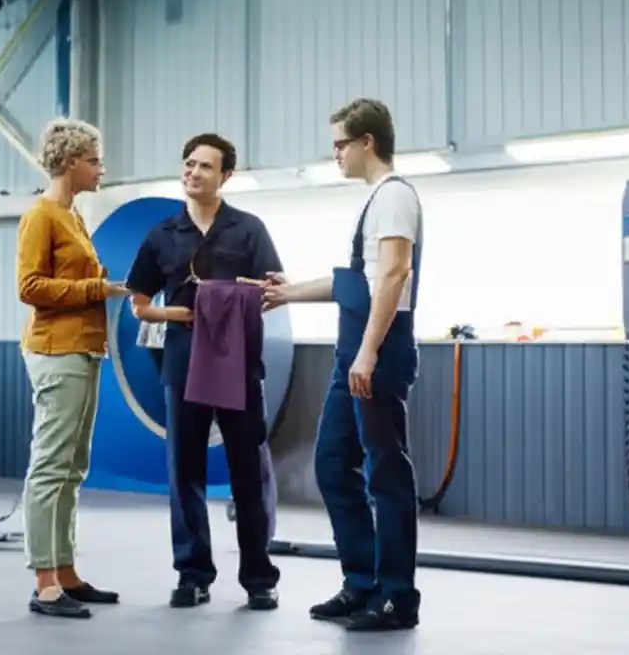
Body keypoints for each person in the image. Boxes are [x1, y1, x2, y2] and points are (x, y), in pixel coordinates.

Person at [263, 98, 423, 631]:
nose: (335, 153)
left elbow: (394, 276)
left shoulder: (395, 197)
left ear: (367, 142)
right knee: (334, 464)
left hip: (374, 350)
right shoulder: (372, 201)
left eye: (340, 144)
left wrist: (369, 351)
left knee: (386, 473)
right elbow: (352, 281)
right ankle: (361, 583)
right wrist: (285, 294)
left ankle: (398, 595)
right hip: (352, 351)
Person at [124, 132, 283, 611]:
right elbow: (139, 304)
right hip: (183, 364)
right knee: (184, 470)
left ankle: (259, 577)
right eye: (189, 164)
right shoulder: (161, 236)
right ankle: (193, 574)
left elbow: (274, 291)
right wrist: (181, 314)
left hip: (238, 365)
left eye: (205, 167)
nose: (193, 173)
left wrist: (230, 302)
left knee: (246, 473)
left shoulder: (249, 229)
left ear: (226, 176)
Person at [15, 118, 130, 619]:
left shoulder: (73, 215)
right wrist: (95, 290)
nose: (101, 169)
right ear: (70, 162)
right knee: (50, 466)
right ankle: (44, 583)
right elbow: (30, 287)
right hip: (56, 351)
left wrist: (111, 283)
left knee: (72, 466)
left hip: (85, 350)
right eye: (96, 160)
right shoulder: (42, 215)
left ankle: (65, 571)